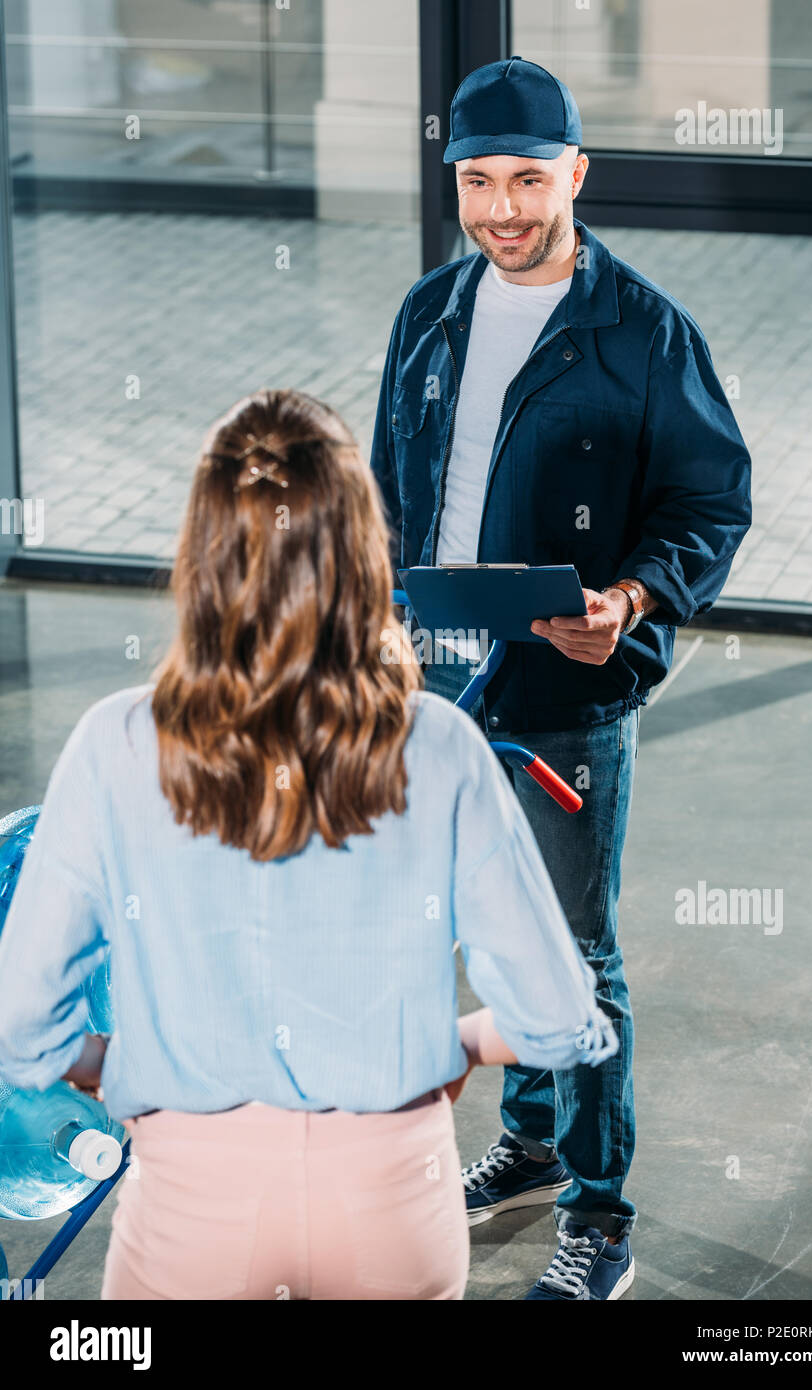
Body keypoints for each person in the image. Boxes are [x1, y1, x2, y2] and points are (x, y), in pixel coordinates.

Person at [0, 388, 616, 1302]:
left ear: (201, 554)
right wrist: (435, 1049)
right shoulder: (438, 745)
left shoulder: (115, 741)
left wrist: (124, 1066)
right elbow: (558, 1016)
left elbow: (22, 1026)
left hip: (190, 1207)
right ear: (360, 553)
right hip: (389, 1199)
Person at [371, 57, 751, 1301]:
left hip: (566, 688)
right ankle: (530, 1144)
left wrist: (631, 600)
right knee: (484, 928)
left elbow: (709, 501)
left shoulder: (644, 331)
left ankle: (599, 1210)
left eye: (528, 180)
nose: (503, 209)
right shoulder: (430, 310)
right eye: (478, 182)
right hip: (434, 677)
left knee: (572, 952)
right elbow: (389, 488)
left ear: (577, 174)